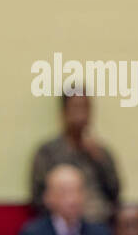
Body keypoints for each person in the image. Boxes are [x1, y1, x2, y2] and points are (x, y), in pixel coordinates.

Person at [29, 91, 122, 224]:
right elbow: (38, 198)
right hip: (62, 225)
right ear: (63, 112)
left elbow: (115, 193)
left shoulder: (101, 152)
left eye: (85, 108)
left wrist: (99, 160)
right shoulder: (47, 152)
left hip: (101, 224)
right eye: (76, 107)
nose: (81, 115)